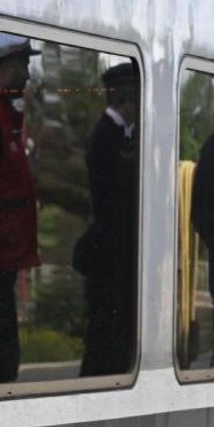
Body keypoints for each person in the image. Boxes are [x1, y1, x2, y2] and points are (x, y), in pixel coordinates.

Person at [78, 62, 140, 377]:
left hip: (117, 255)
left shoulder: (121, 135)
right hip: (111, 255)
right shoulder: (106, 137)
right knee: (106, 337)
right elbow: (113, 198)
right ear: (128, 100)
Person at [0, 33, 42, 383]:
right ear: (4, 67)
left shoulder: (5, 118)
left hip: (5, 263)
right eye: (22, 65)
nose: (27, 74)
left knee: (6, 362)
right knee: (1, 364)